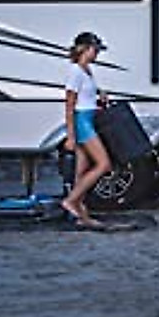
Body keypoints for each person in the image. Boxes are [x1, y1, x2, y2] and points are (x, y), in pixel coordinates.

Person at [60, 31, 113, 230]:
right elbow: (70, 105)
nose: (97, 53)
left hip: (88, 118)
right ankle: (71, 201)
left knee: (81, 172)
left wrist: (100, 97)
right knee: (104, 164)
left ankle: (82, 216)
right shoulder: (75, 72)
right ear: (85, 49)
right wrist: (71, 136)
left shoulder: (86, 70)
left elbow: (85, 99)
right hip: (83, 122)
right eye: (95, 49)